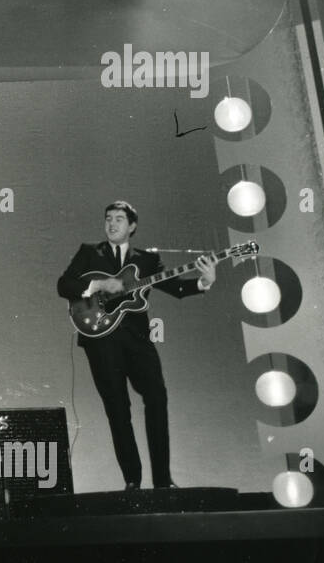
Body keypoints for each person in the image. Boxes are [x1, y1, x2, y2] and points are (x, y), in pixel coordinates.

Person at [56, 201, 217, 490]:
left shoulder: (147, 260)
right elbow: (63, 285)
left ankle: (162, 480)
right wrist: (100, 285)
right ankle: (133, 481)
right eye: (108, 218)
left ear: (132, 226)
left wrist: (205, 281)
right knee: (118, 409)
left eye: (119, 219)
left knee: (157, 397)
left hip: (138, 340)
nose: (112, 223)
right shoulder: (89, 252)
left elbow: (176, 288)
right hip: (101, 339)